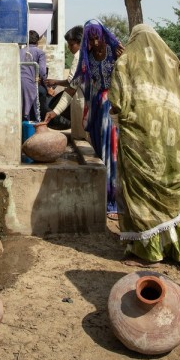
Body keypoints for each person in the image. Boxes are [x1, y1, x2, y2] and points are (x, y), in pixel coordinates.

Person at [108, 24, 180, 266]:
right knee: (168, 190)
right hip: (172, 143)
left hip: (140, 140)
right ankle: (177, 248)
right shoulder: (172, 63)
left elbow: (116, 104)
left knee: (141, 193)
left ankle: (148, 253)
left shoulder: (126, 61)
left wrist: (118, 122)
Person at [44, 19, 124, 218]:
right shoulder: (86, 59)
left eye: (98, 38)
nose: (95, 42)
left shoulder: (115, 53)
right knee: (98, 151)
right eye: (92, 38)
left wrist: (125, 60)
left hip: (112, 107)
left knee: (111, 153)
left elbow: (131, 76)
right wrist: (55, 112)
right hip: (95, 108)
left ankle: (113, 201)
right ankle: (101, 196)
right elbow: (72, 88)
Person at [46, 25, 84, 137]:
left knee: (81, 136)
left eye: (71, 44)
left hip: (80, 101)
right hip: (81, 101)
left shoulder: (78, 57)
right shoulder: (84, 56)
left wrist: (55, 111)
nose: (69, 47)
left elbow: (71, 85)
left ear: (80, 43)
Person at [21, 30, 48, 122]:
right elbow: (42, 72)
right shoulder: (40, 53)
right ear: (37, 41)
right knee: (42, 95)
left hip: (17, 84)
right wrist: (47, 87)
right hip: (31, 85)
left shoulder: (18, 52)